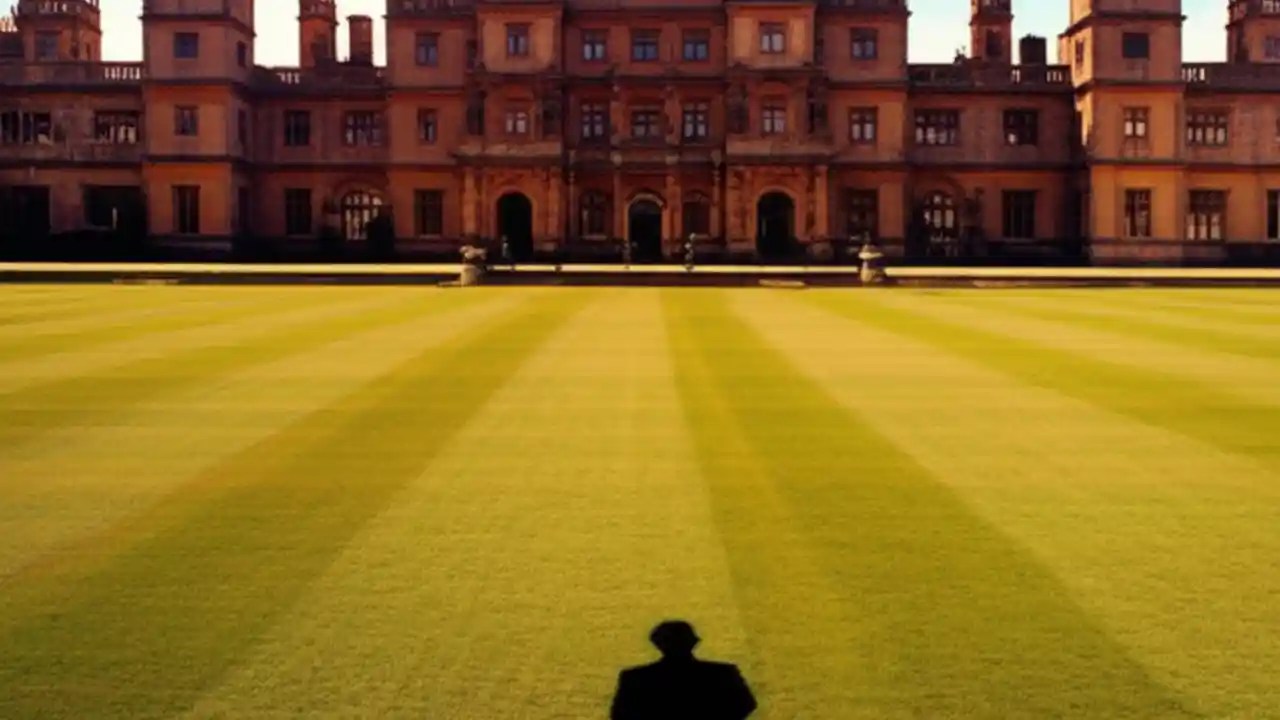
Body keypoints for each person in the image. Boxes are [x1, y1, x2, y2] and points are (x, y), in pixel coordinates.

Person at [610, 620, 757, 720]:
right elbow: (746, 705)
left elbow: (620, 715)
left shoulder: (636, 678)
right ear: (693, 642)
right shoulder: (723, 673)